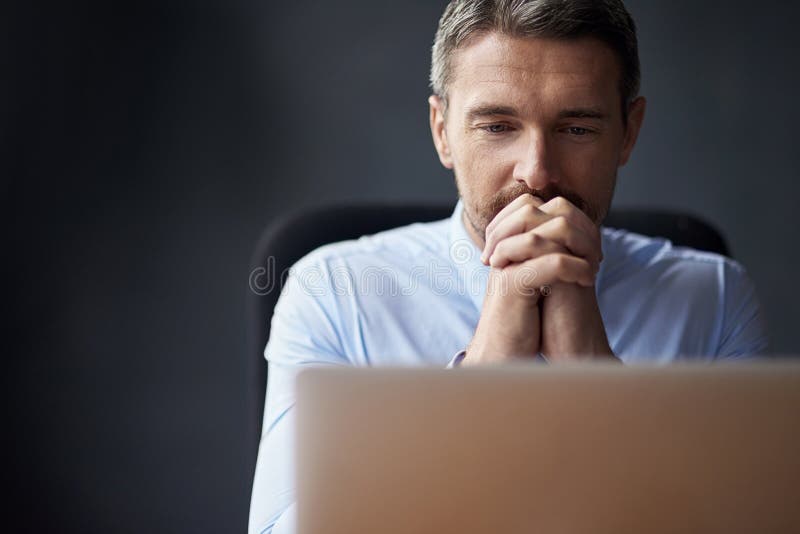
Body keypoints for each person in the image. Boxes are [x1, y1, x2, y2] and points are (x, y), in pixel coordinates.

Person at [248, 1, 769, 532]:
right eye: (498, 126)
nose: (537, 173)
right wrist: (488, 368)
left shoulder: (715, 297)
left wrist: (589, 368)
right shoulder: (332, 293)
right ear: (443, 131)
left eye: (577, 129)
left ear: (628, 133)